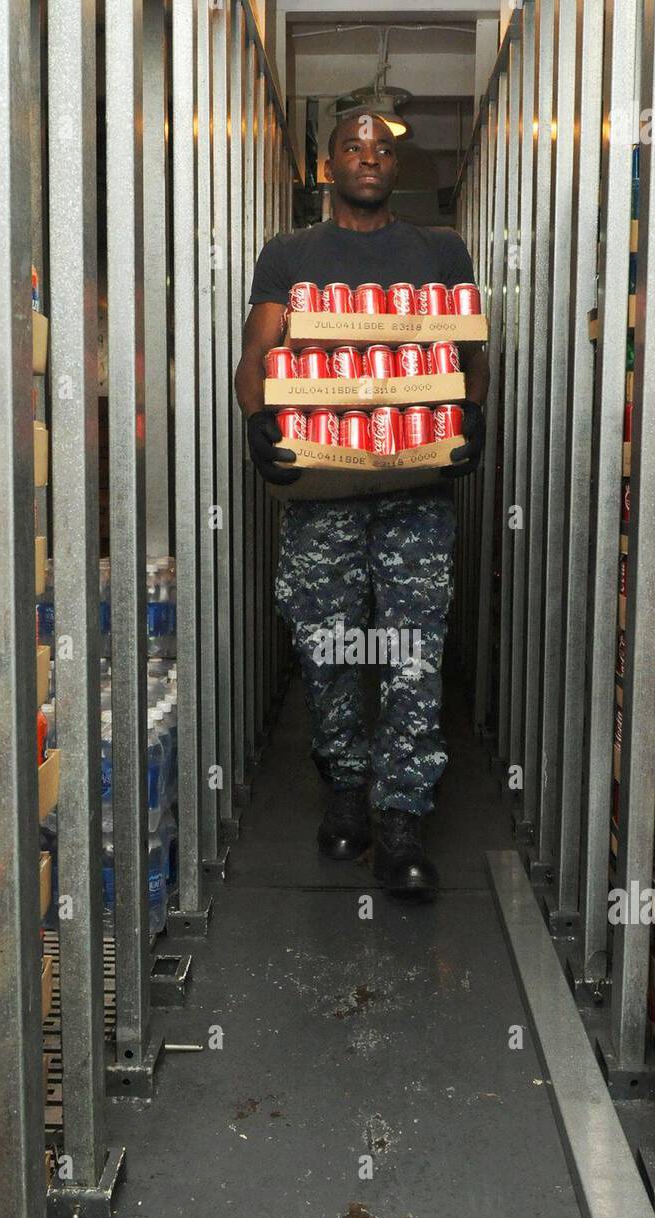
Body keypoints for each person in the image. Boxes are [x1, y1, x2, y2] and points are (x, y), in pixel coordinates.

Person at [235, 112, 488, 900]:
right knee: (330, 644)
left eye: (382, 149)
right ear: (329, 163)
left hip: (416, 491)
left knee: (412, 647)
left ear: (396, 164)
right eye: (353, 147)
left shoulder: (440, 250)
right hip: (322, 496)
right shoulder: (291, 254)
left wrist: (472, 415)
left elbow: (472, 352)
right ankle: (345, 786)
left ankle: (403, 817)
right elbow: (257, 351)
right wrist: (256, 422)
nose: (369, 159)